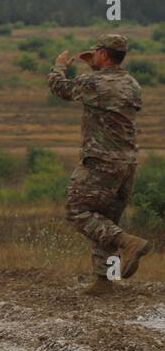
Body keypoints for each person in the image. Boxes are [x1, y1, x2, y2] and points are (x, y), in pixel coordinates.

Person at [48, 33, 152, 294]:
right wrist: (93, 63)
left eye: (95, 52)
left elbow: (59, 88)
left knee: (77, 211)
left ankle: (128, 242)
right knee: (105, 220)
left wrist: (60, 64)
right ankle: (104, 282)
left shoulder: (93, 83)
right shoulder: (132, 84)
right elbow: (108, 86)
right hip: (126, 164)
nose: (91, 55)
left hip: (100, 163)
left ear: (104, 55)